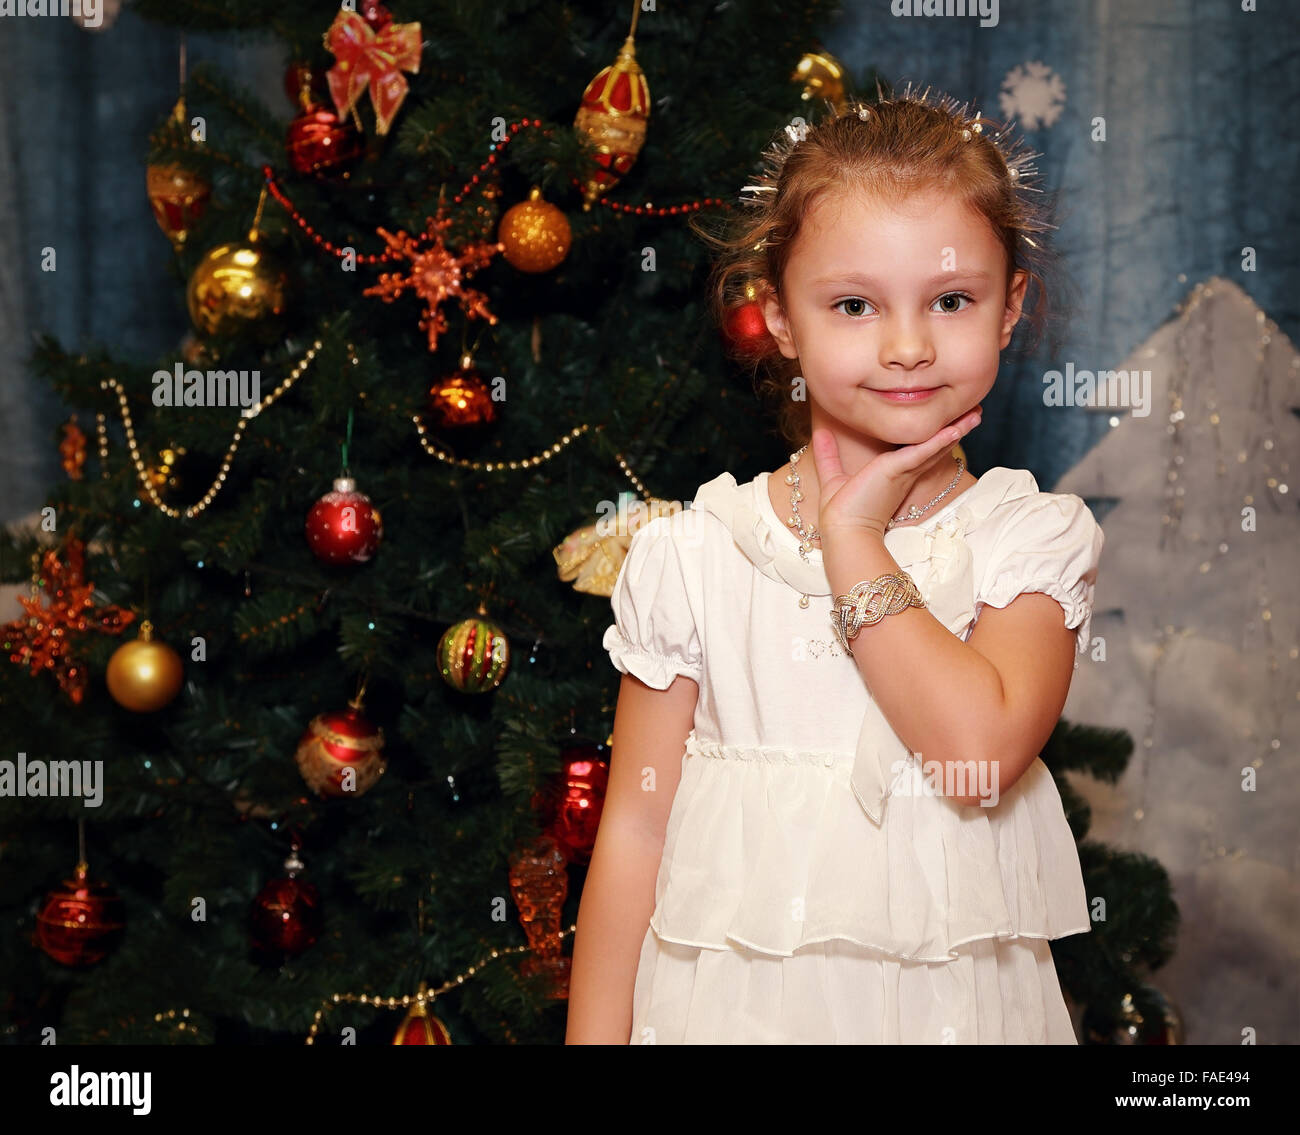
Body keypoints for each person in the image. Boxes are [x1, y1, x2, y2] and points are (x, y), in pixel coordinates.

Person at [565, 85, 1103, 1045]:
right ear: (777, 317)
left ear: (1011, 305)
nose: (906, 346)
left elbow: (975, 754)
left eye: (950, 299)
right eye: (854, 304)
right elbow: (635, 832)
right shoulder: (697, 556)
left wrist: (854, 542)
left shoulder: (1028, 543)